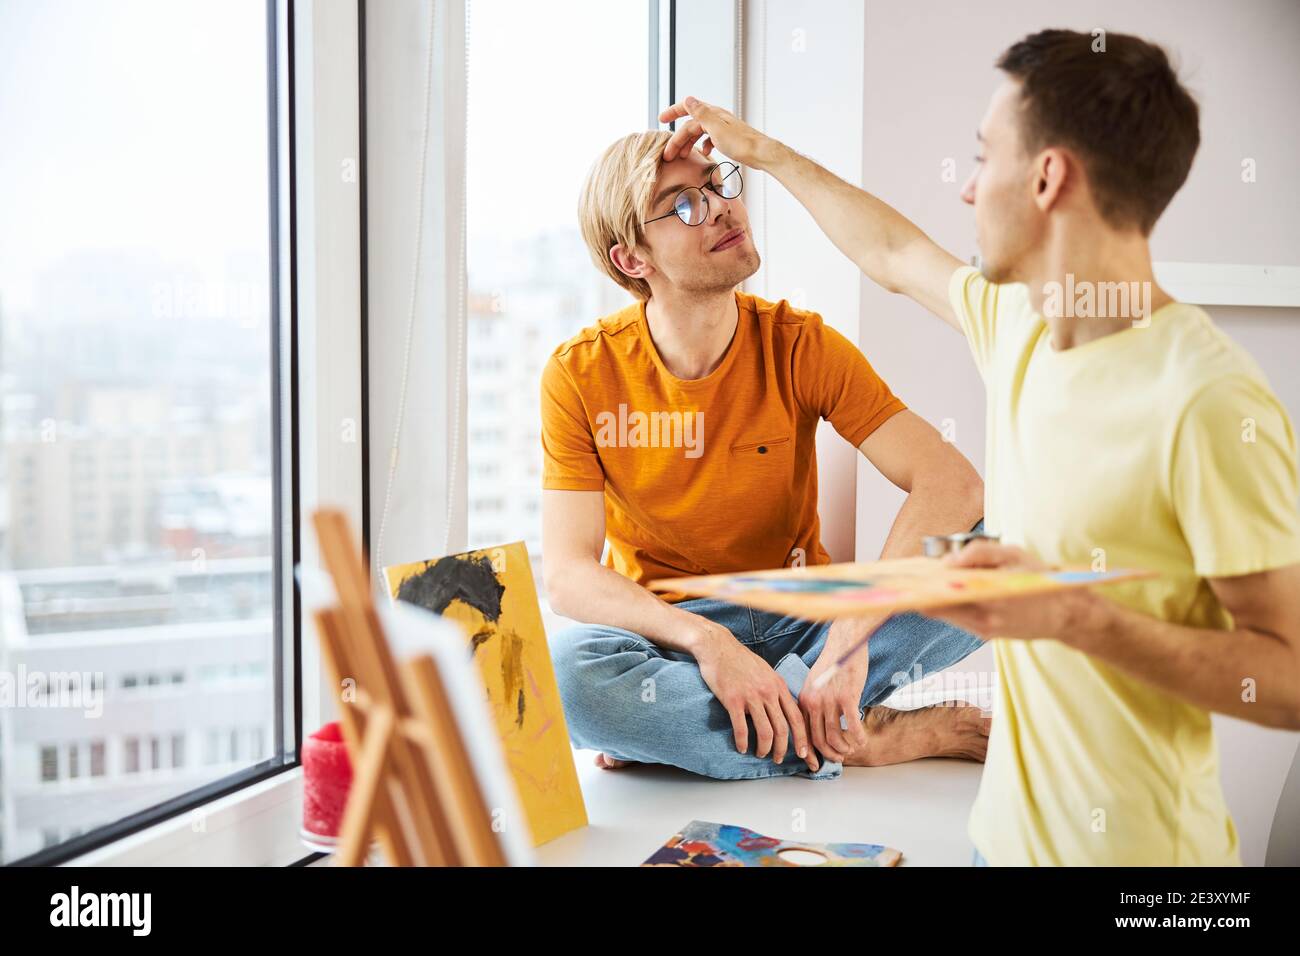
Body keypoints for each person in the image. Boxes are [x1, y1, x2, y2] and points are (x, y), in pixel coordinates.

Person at [657, 28, 1300, 864]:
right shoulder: (1021, 326)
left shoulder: (1208, 400)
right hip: (997, 845)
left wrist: (1071, 616)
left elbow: (1286, 679)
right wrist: (764, 153)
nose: (963, 190)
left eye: (981, 156)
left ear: (1046, 177)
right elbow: (889, 252)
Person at [541, 130, 990, 783]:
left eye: (719, 185)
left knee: (997, 558)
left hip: (808, 618)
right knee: (570, 678)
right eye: (685, 204)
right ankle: (860, 735)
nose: (723, 207)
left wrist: (852, 637)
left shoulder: (801, 344)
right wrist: (708, 642)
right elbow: (568, 577)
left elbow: (951, 485)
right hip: (675, 642)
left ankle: (723, 730)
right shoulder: (580, 372)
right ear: (633, 259)